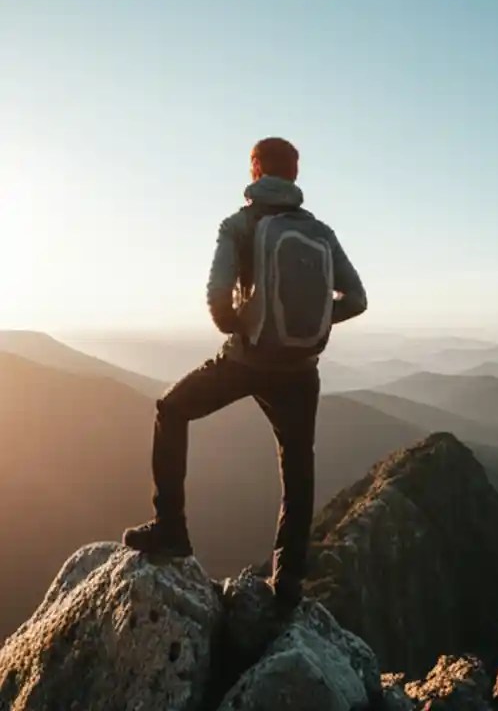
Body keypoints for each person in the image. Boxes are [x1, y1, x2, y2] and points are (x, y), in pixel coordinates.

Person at [123, 137, 368, 612]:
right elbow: (356, 299)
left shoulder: (239, 224)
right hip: (301, 370)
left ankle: (171, 528)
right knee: (298, 465)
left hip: (245, 360)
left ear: (255, 171)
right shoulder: (320, 232)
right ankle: (289, 584)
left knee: (171, 410)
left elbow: (217, 295)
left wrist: (243, 327)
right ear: (294, 176)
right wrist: (311, 321)